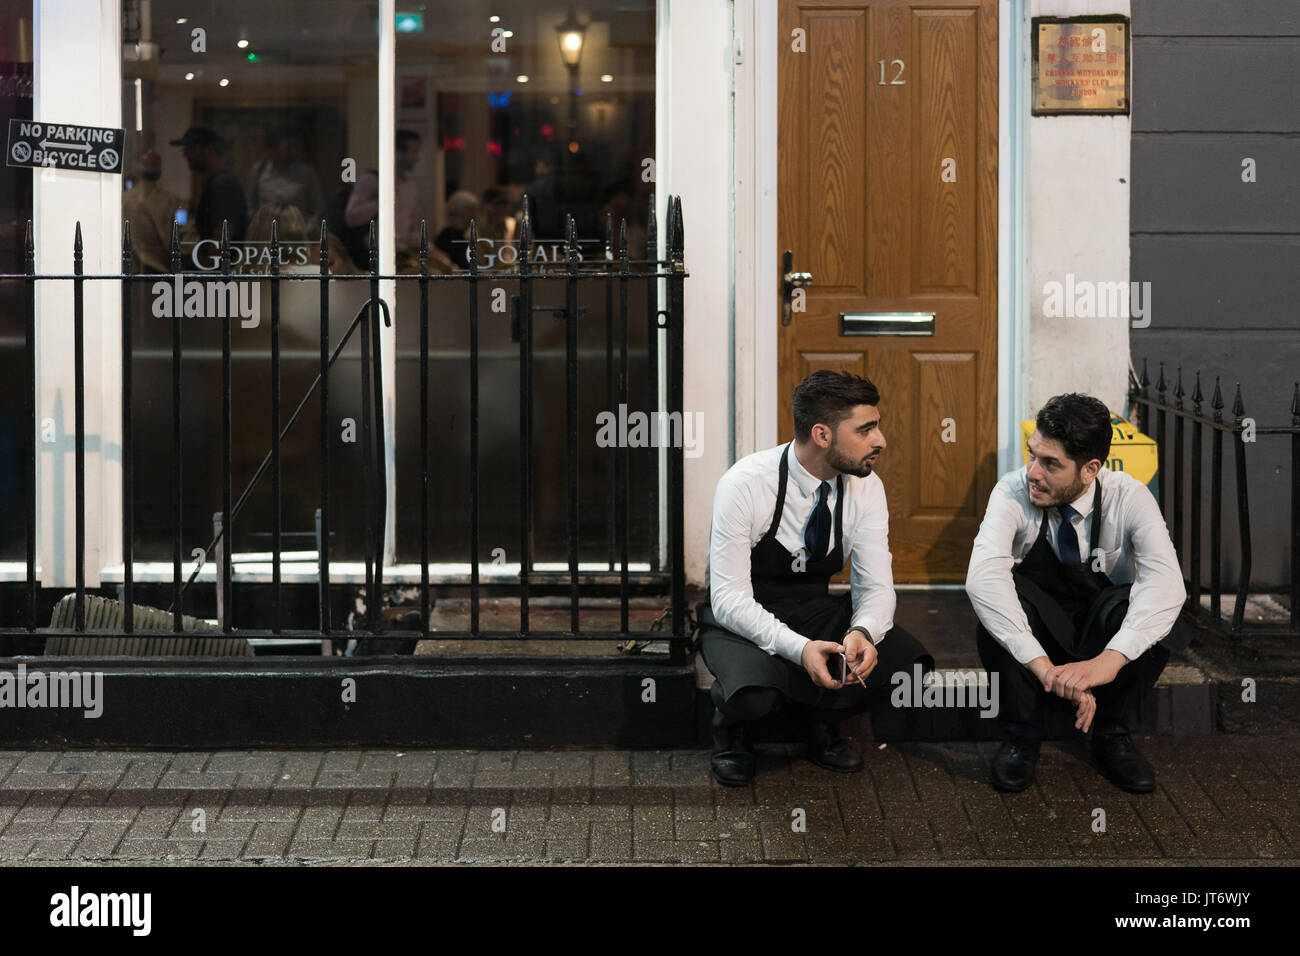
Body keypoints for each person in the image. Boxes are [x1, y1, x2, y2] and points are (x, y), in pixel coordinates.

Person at [698, 369, 934, 786]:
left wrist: (863, 631)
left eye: (876, 427)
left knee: (906, 663)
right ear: (822, 435)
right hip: (745, 616)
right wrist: (801, 649)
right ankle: (733, 729)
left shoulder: (866, 487)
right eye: (866, 430)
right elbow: (730, 599)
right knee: (753, 697)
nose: (880, 440)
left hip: (813, 608)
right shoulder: (746, 484)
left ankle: (822, 718)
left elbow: (875, 586)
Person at [966, 393, 1189, 794]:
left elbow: (1166, 582)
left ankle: (1111, 735)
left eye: (1051, 464)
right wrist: (1045, 669)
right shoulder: (1012, 491)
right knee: (998, 604)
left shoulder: (1130, 496)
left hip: (1098, 628)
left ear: (1090, 470)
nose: (1033, 472)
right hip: (1042, 633)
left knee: (1157, 619)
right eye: (1032, 455)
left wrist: (1108, 661)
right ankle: (1022, 737)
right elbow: (982, 576)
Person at [345, 128, 423, 256]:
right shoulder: (371, 180)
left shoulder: (411, 186)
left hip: (403, 252)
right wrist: (382, 201)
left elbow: (412, 225)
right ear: (397, 152)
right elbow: (351, 217)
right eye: (413, 152)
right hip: (374, 253)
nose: (417, 158)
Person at [170, 125, 248, 242]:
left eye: (191, 148)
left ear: (208, 149)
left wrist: (208, 259)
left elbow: (222, 235)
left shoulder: (222, 184)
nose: (185, 154)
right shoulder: (217, 182)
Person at [121, 149, 192, 273]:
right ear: (159, 172)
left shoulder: (120, 202)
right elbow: (187, 238)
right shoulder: (175, 203)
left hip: (130, 274)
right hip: (163, 275)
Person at [245, 124, 323, 225]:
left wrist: (307, 230)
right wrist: (258, 224)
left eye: (295, 145)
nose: (293, 150)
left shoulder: (306, 173)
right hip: (266, 233)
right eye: (288, 146)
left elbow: (318, 209)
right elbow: (249, 205)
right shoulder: (259, 171)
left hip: (297, 234)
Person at [434, 190, 480, 266]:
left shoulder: (458, 235)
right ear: (460, 211)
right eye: (471, 210)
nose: (475, 215)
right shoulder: (450, 237)